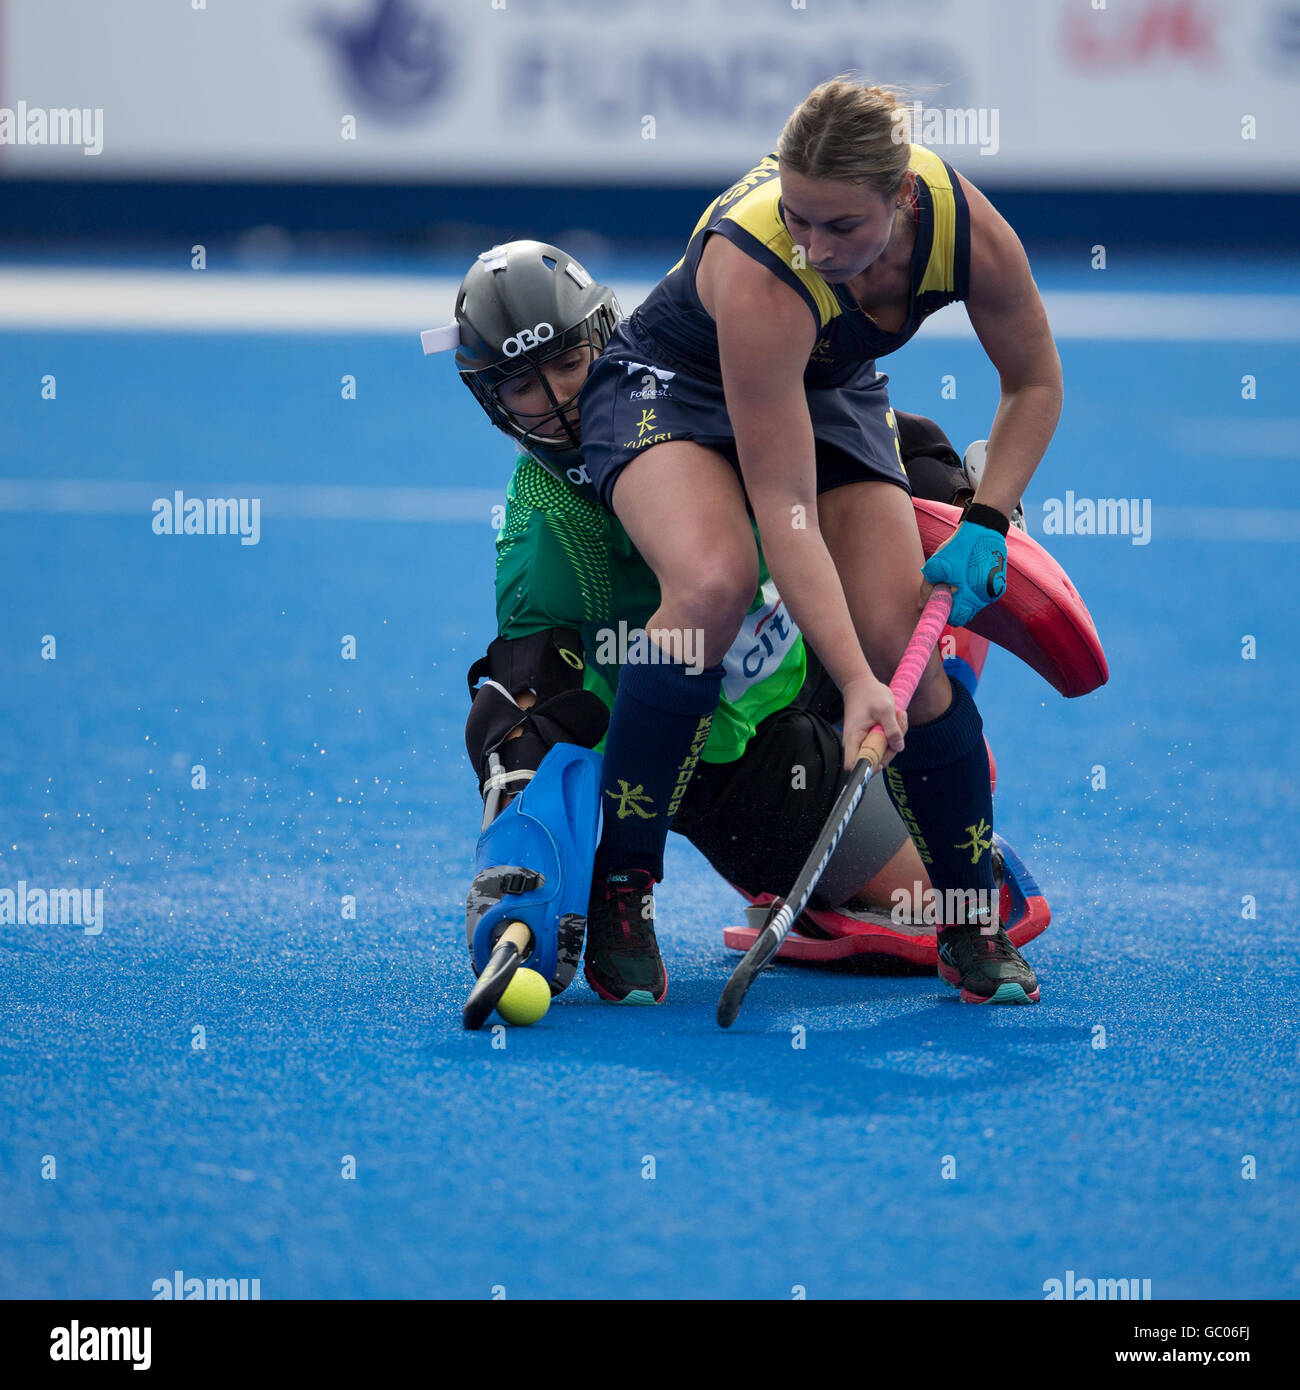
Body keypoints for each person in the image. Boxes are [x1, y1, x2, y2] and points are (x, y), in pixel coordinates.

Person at [431, 239, 1051, 1009]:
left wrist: (961, 495)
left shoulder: (684, 389)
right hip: (727, 762)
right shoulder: (544, 529)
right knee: (932, 900)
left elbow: (869, 438)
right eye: (524, 385)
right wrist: (518, 871)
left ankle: (927, 765)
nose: (561, 398)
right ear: (493, 404)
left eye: (568, 362)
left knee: (930, 557)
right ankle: (751, 882)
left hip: (815, 650)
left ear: (605, 334)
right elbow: (530, 702)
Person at [576, 77, 1064, 1006]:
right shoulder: (769, 268)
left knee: (907, 660)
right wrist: (851, 686)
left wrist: (989, 520)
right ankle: (622, 887)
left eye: (841, 227)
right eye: (799, 218)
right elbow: (785, 507)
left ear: (903, 200)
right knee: (712, 588)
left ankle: (966, 924)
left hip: (825, 386)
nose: (815, 245)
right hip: (671, 385)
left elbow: (1034, 382)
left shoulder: (967, 229)